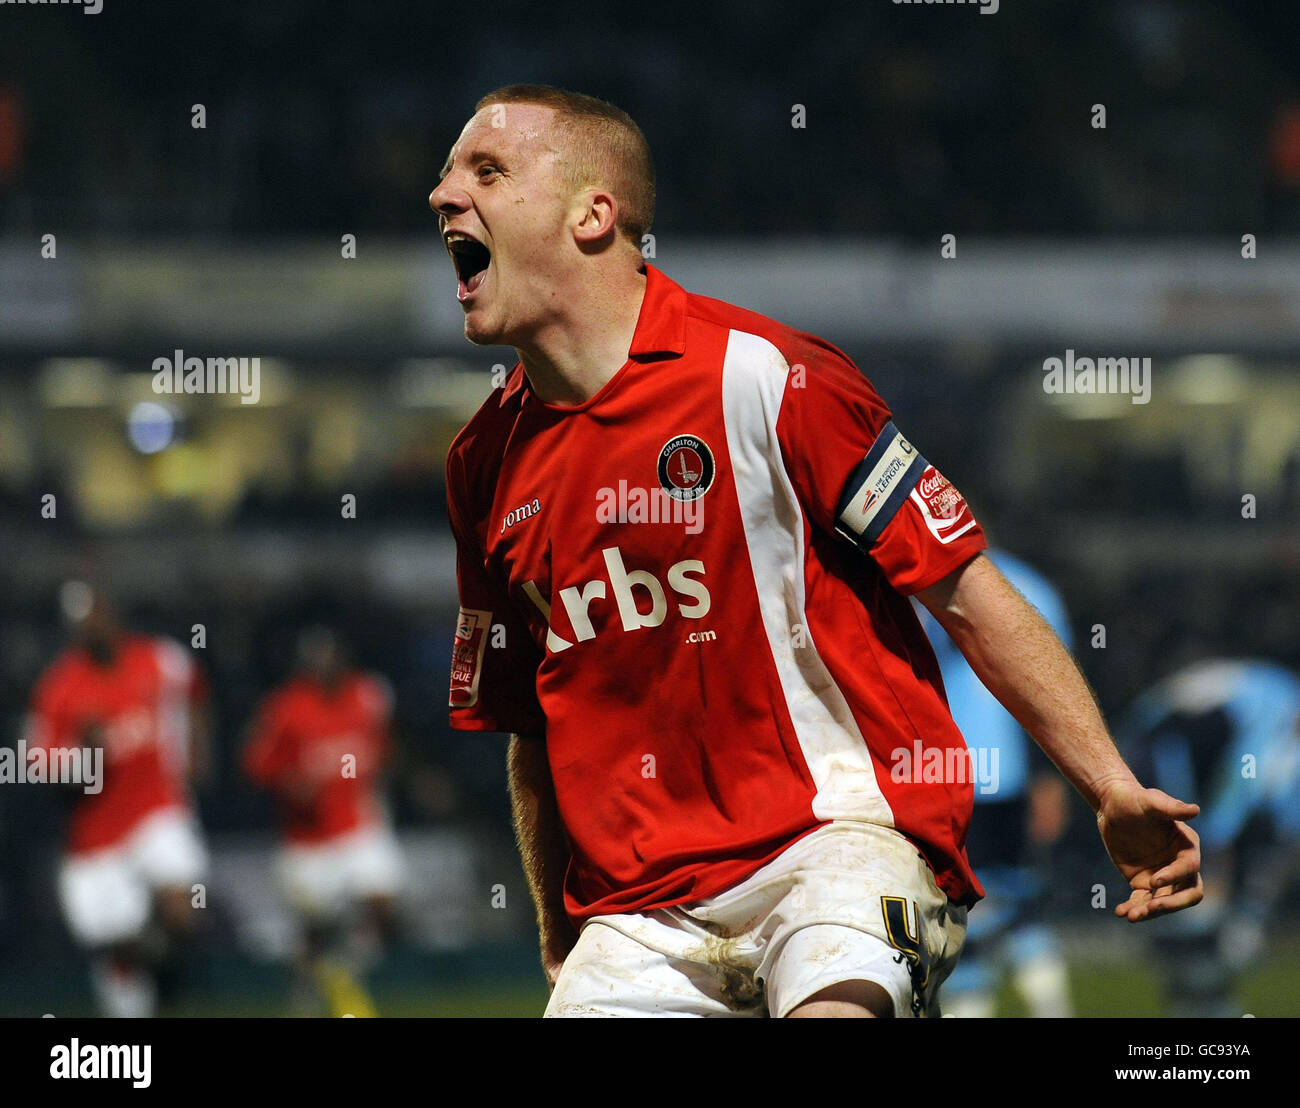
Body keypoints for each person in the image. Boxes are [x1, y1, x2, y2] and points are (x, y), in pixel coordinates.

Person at [434, 84, 1203, 1018]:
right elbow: (530, 724)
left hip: (842, 841)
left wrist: (1111, 787)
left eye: (486, 170)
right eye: (445, 174)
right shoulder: (482, 464)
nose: (443, 195)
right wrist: (565, 936)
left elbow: (963, 589)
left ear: (594, 214)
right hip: (641, 915)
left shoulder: (770, 375)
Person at [24, 581, 210, 1017]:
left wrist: (198, 752)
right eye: (83, 623)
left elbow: (196, 691)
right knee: (122, 956)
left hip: (156, 810)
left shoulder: (159, 659)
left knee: (183, 908)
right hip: (96, 841)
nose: (95, 628)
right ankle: (155, 978)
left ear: (113, 614)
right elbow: (49, 779)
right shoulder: (59, 691)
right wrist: (87, 756)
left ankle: (167, 970)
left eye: (98, 616)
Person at [917, 548, 1074, 1017]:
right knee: (1017, 891)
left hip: (946, 768)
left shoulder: (917, 576)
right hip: (1012, 768)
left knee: (962, 903)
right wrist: (1049, 775)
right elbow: (1054, 686)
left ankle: (974, 1006)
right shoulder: (1032, 584)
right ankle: (1052, 1005)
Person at [1117, 657, 1300, 1016]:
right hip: (1155, 744)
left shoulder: (1280, 705)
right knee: (1192, 866)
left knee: (1200, 870)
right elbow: (1241, 783)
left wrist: (1252, 908)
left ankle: (1199, 985)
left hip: (1169, 743)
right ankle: (1198, 984)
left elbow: (1283, 817)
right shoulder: (1278, 703)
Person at [243, 626, 404, 1017]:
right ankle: (307, 991)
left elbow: (385, 747)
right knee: (315, 931)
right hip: (308, 841)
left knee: (384, 903)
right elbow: (256, 765)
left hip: (358, 824)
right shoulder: (286, 708)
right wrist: (289, 785)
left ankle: (342, 969)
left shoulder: (369, 695)